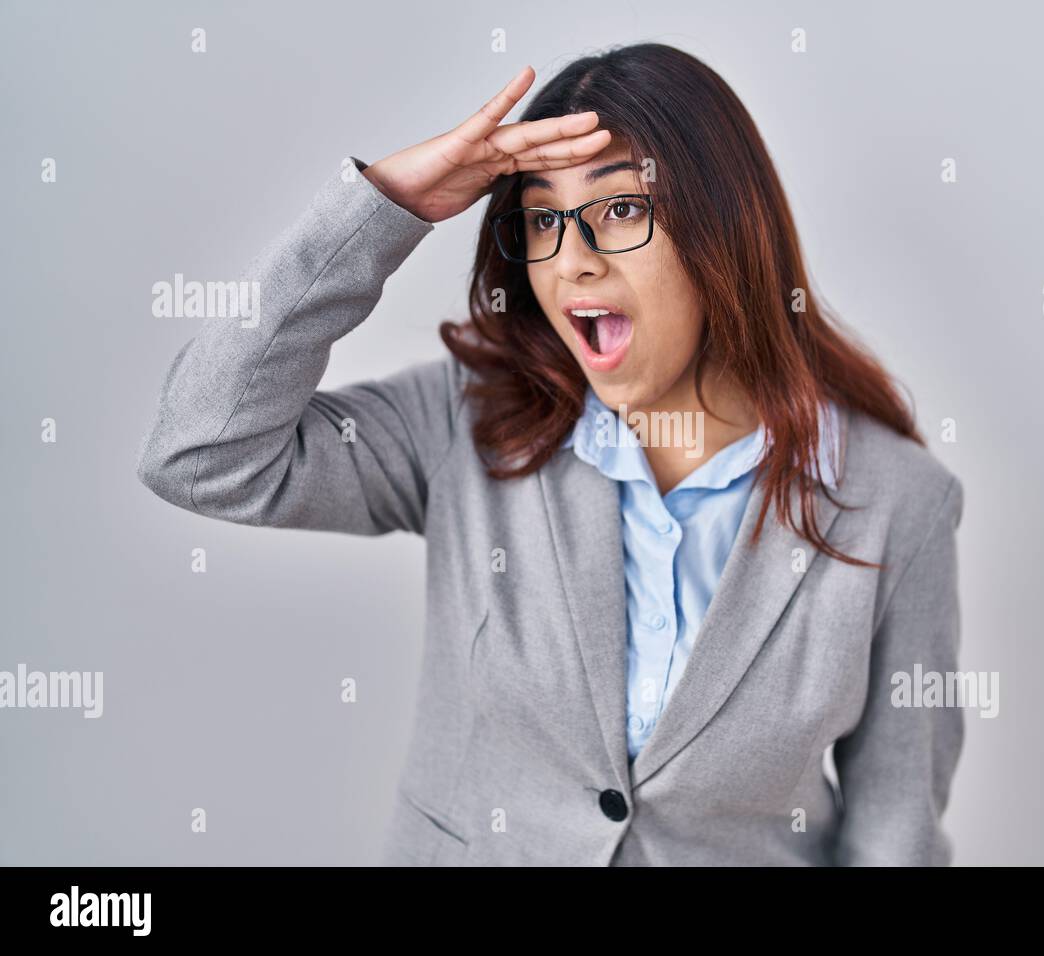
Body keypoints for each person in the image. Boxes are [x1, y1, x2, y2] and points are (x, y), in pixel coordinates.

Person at [136, 43, 966, 866]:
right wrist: (388, 206)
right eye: (542, 218)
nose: (573, 259)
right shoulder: (466, 421)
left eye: (621, 209)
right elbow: (200, 449)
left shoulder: (898, 502)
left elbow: (895, 830)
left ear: (724, 227)